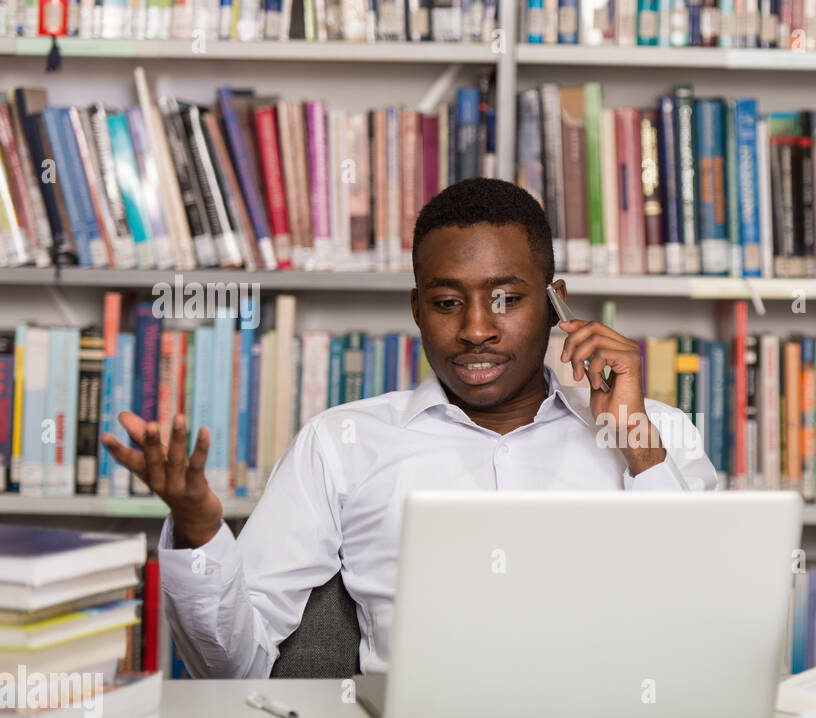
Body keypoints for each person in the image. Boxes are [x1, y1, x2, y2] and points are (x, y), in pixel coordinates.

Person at [101, 178, 717, 679]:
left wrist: (638, 449)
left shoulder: (656, 437)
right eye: (448, 303)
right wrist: (201, 532)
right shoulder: (340, 445)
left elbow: (707, 636)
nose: (477, 328)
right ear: (417, 308)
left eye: (506, 299)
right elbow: (233, 669)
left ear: (557, 303)